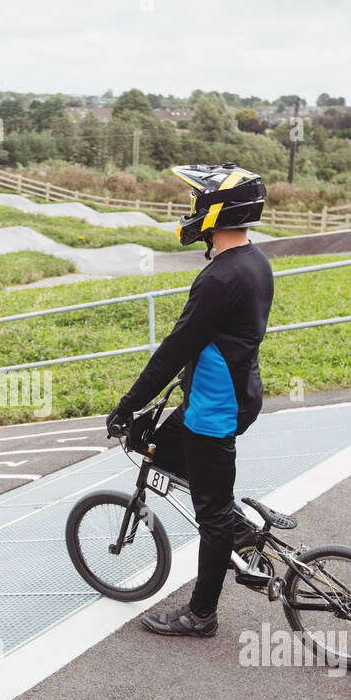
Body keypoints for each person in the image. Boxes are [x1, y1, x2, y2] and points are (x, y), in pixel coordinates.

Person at [105, 162, 274, 638]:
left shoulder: (219, 278)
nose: (193, 210)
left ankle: (201, 615)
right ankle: (230, 518)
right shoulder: (254, 261)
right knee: (158, 444)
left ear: (216, 212)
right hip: (235, 394)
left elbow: (176, 347)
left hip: (213, 408)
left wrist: (128, 403)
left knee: (211, 519)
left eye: (199, 202)